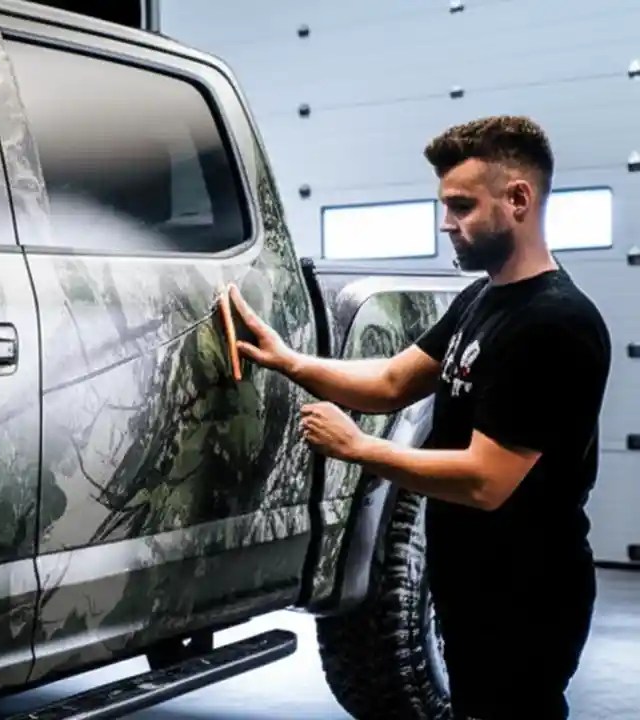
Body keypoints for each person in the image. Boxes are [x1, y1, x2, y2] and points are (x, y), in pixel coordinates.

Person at [228, 115, 611, 719]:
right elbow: (390, 382)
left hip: (527, 593)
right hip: (472, 581)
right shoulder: (483, 299)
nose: (445, 222)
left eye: (461, 206)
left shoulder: (553, 324)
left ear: (518, 199)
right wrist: (287, 359)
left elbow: (486, 481)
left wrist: (357, 449)